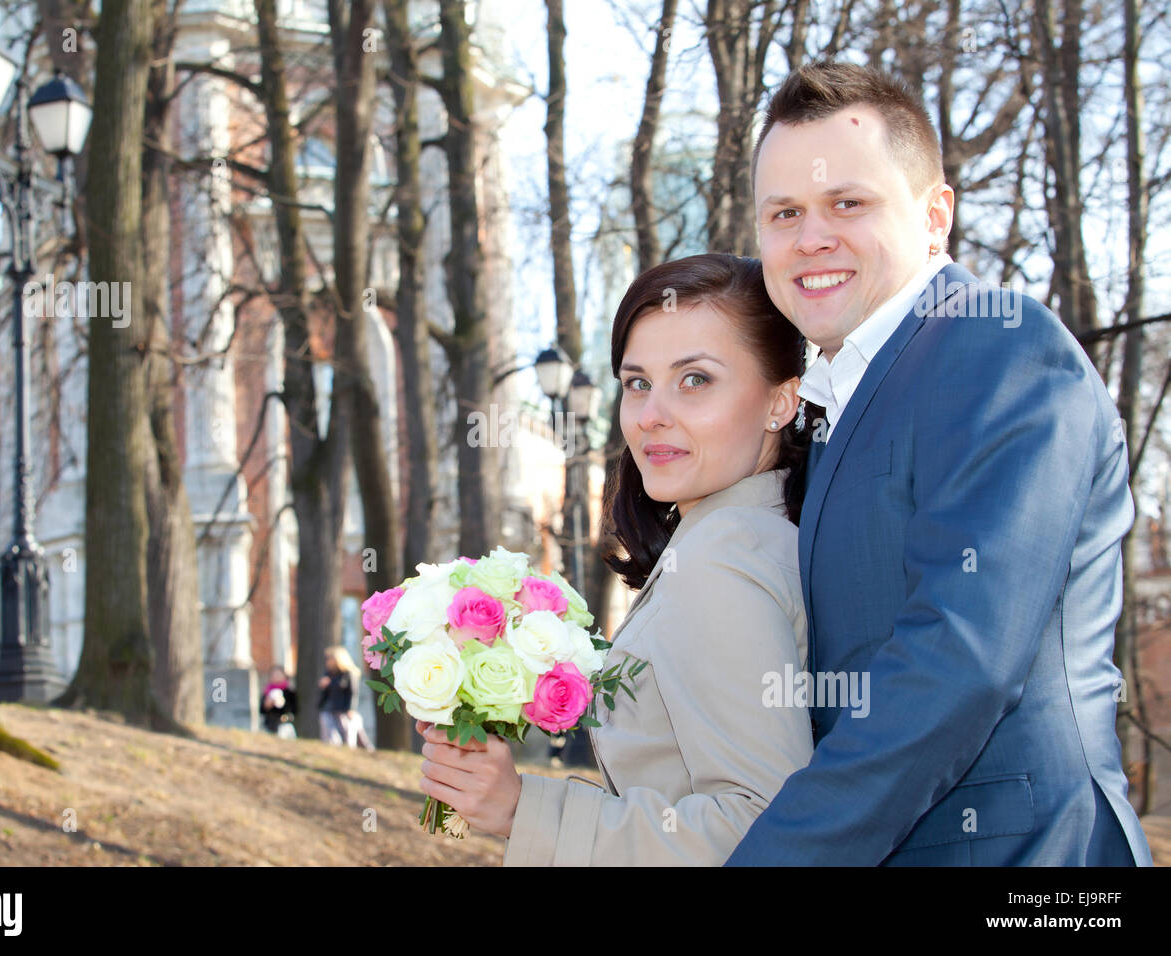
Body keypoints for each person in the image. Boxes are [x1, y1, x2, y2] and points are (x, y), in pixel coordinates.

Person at [726, 60, 1152, 865]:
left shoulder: (1000, 347)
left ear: (935, 216)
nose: (811, 237)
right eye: (784, 213)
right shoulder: (833, 400)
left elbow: (960, 658)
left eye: (847, 203)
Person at [417, 253, 818, 865]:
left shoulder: (723, 562)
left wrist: (523, 810)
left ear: (780, 401)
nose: (651, 414)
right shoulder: (740, 536)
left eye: (695, 379)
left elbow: (762, 824)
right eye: (637, 383)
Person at [318, 645, 373, 750]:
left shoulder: (348, 674)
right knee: (331, 732)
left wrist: (350, 708)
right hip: (329, 707)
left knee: (347, 731)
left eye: (330, 658)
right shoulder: (328, 674)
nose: (328, 661)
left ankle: (351, 749)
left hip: (343, 708)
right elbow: (325, 692)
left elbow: (353, 692)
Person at [259, 665, 297, 738]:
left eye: (279, 675)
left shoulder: (289, 692)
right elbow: (261, 710)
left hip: (285, 725)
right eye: (274, 675)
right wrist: (267, 705)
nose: (276, 677)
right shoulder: (267, 692)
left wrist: (282, 702)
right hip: (270, 725)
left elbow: (294, 709)